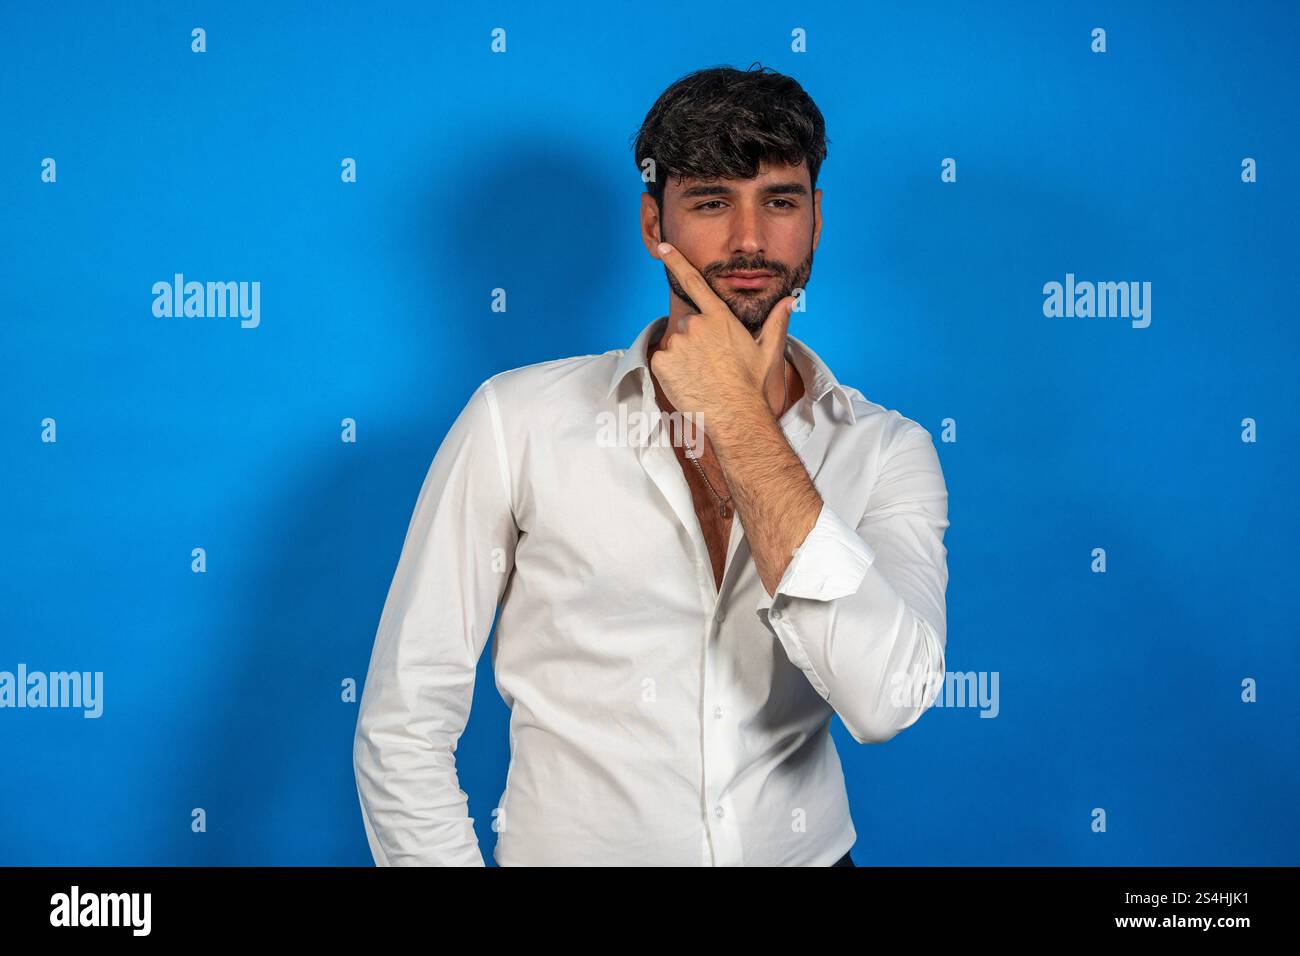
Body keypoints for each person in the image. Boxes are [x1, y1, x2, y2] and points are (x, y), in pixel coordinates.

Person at [352, 63, 949, 867]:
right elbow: (403, 721)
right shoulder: (515, 419)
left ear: (816, 219)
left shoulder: (886, 448)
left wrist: (737, 420)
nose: (748, 239)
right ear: (652, 222)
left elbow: (887, 701)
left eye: (779, 200)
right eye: (710, 201)